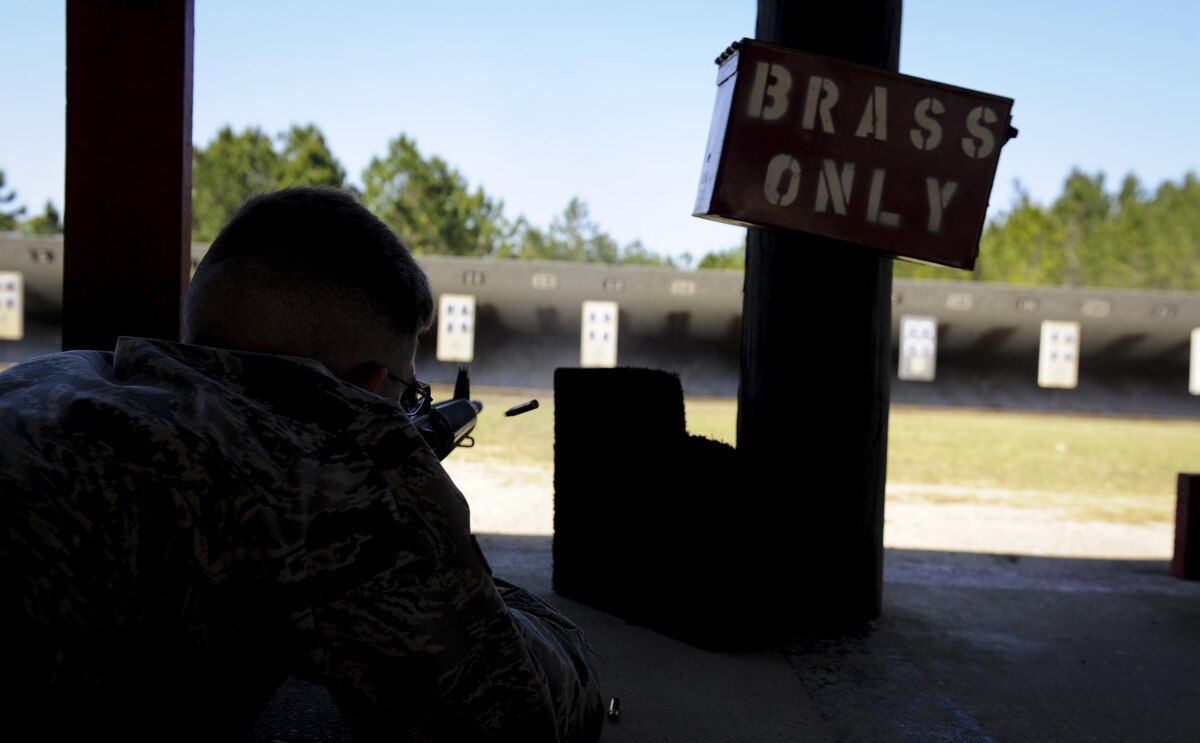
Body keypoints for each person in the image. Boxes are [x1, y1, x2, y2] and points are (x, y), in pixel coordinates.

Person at [0, 186, 605, 742]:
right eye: (405, 393)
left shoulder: (49, 376)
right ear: (367, 387)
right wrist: (431, 533)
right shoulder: (332, 471)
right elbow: (530, 713)